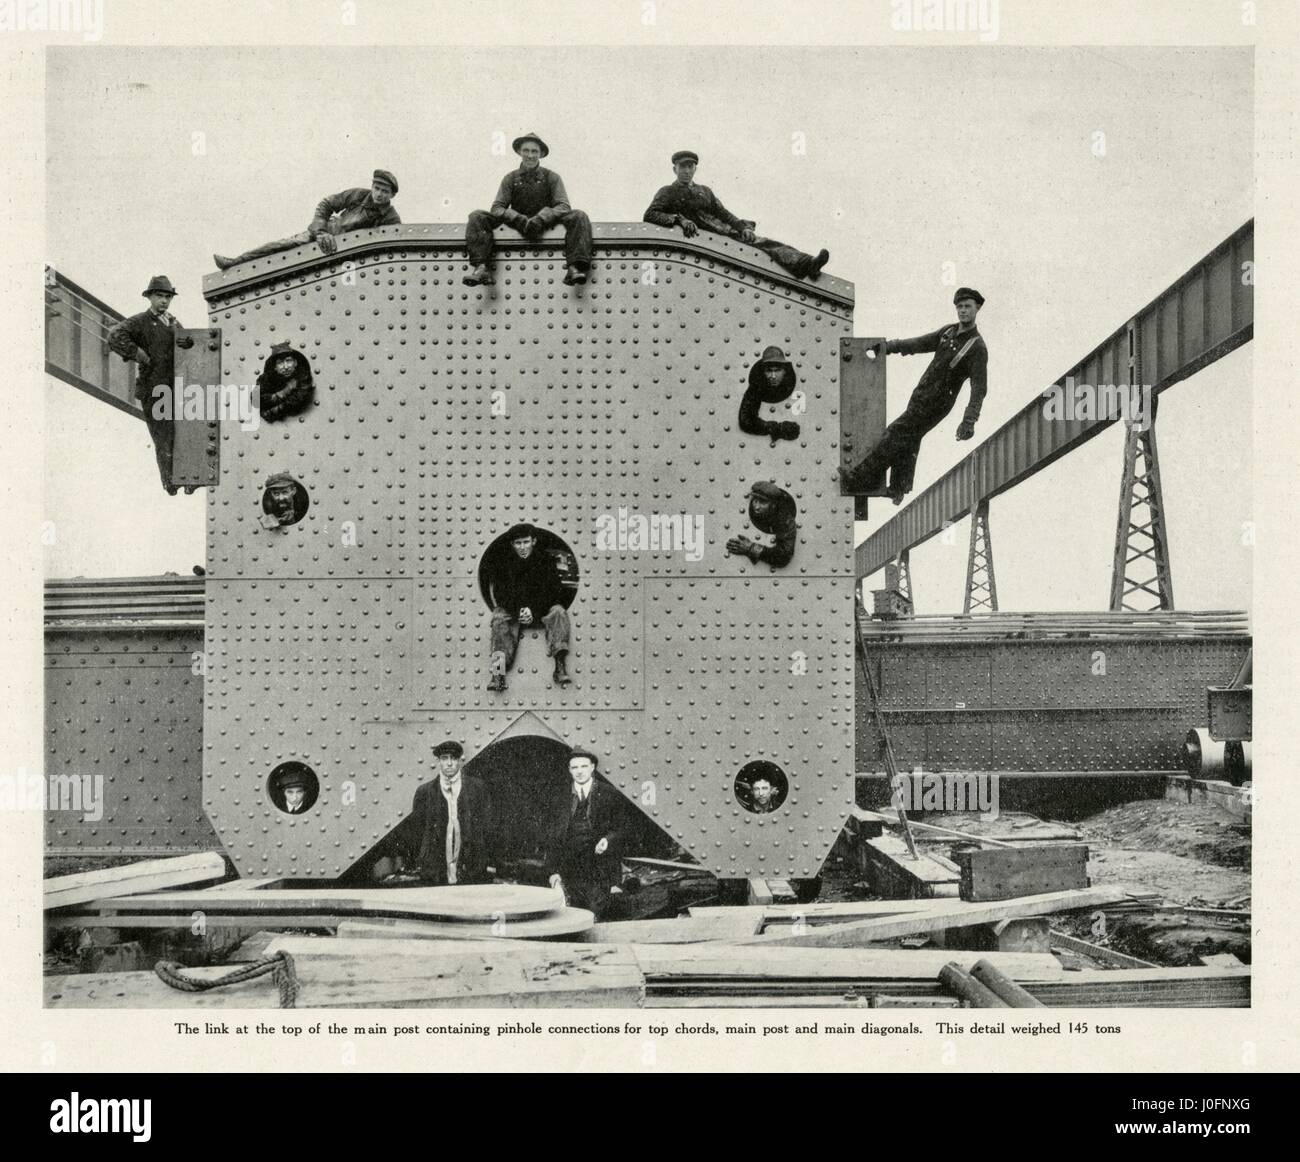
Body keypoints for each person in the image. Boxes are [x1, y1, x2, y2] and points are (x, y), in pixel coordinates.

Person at [842, 288, 989, 503]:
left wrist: (969, 421)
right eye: (959, 306)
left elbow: (979, 389)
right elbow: (919, 343)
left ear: (977, 308)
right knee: (909, 439)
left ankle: (859, 478)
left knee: (896, 432)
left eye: (968, 306)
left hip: (937, 403)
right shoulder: (948, 331)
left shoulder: (977, 347)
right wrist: (889, 347)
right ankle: (898, 487)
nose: (963, 311)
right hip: (922, 394)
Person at [643, 150, 829, 280]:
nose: (686, 170)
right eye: (682, 166)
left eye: (690, 166)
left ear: (695, 169)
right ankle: (808, 265)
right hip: (705, 239)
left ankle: (808, 263)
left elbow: (722, 212)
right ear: (674, 169)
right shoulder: (667, 191)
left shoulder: (704, 191)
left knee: (765, 243)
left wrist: (741, 227)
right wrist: (678, 219)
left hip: (724, 232)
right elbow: (651, 214)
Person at [464, 132, 593, 287]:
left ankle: (574, 267)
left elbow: (563, 206)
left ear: (541, 154)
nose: (530, 155)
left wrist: (542, 217)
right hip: (518, 223)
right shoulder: (510, 178)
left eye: (534, 151)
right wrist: (516, 218)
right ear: (520, 152)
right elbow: (497, 208)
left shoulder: (552, 177)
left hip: (545, 223)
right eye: (526, 151)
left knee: (579, 216)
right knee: (477, 216)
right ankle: (481, 267)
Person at [106, 275, 195, 494]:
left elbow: (189, 345)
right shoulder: (139, 321)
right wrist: (139, 355)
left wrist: (187, 341)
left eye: (167, 297)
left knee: (183, 433)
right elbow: (115, 335)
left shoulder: (173, 323)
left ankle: (187, 477)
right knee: (163, 437)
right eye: (160, 296)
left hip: (175, 389)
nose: (164, 301)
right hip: (154, 390)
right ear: (150, 297)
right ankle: (171, 482)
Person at [213, 170, 400, 269]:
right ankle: (235, 262)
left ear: (391, 195)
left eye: (385, 191)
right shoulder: (358, 195)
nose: (379, 194)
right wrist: (320, 232)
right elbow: (326, 204)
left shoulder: (390, 218)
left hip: (347, 252)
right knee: (282, 245)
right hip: (324, 235)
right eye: (377, 188)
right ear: (372, 186)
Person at [486, 523, 573, 691]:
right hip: (515, 611)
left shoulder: (545, 561)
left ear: (534, 541)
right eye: (518, 543)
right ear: (512, 545)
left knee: (558, 612)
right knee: (499, 617)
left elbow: (554, 591)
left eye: (526, 542)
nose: (522, 547)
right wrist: (518, 610)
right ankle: (498, 674)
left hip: (540, 610)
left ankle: (560, 665)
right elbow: (501, 594)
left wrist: (533, 610)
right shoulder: (504, 564)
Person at [400, 741, 496, 886]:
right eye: (445, 758)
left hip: (471, 869)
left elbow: (487, 826)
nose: (449, 763)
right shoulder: (424, 792)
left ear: (459, 760)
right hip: (435, 871)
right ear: (439, 761)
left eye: (453, 758)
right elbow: (416, 832)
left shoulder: (477, 788)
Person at [544, 749, 625, 919]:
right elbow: (551, 836)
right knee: (571, 915)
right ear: (569, 769)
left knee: (596, 913)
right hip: (569, 867)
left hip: (599, 867)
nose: (579, 771)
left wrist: (607, 840)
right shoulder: (558, 796)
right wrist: (553, 871)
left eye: (583, 766)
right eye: (574, 767)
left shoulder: (609, 793)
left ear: (592, 767)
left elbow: (621, 828)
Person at [726, 482, 798, 569]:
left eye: (763, 502)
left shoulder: (785, 519)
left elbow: (784, 556)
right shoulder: (756, 511)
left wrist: (751, 548)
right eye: (755, 500)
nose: (756, 507)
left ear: (774, 505)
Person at [738, 345, 800, 444]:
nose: (773, 376)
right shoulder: (757, 386)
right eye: (769, 371)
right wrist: (775, 428)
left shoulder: (788, 384)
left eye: (777, 370)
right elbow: (746, 420)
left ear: (785, 370)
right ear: (763, 372)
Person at [257, 343, 314, 422]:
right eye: (280, 363)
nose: (286, 367)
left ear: (295, 362)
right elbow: (256, 398)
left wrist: (273, 411)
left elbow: (298, 398)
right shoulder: (267, 378)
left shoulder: (303, 377)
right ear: (275, 367)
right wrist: (286, 391)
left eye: (288, 361)